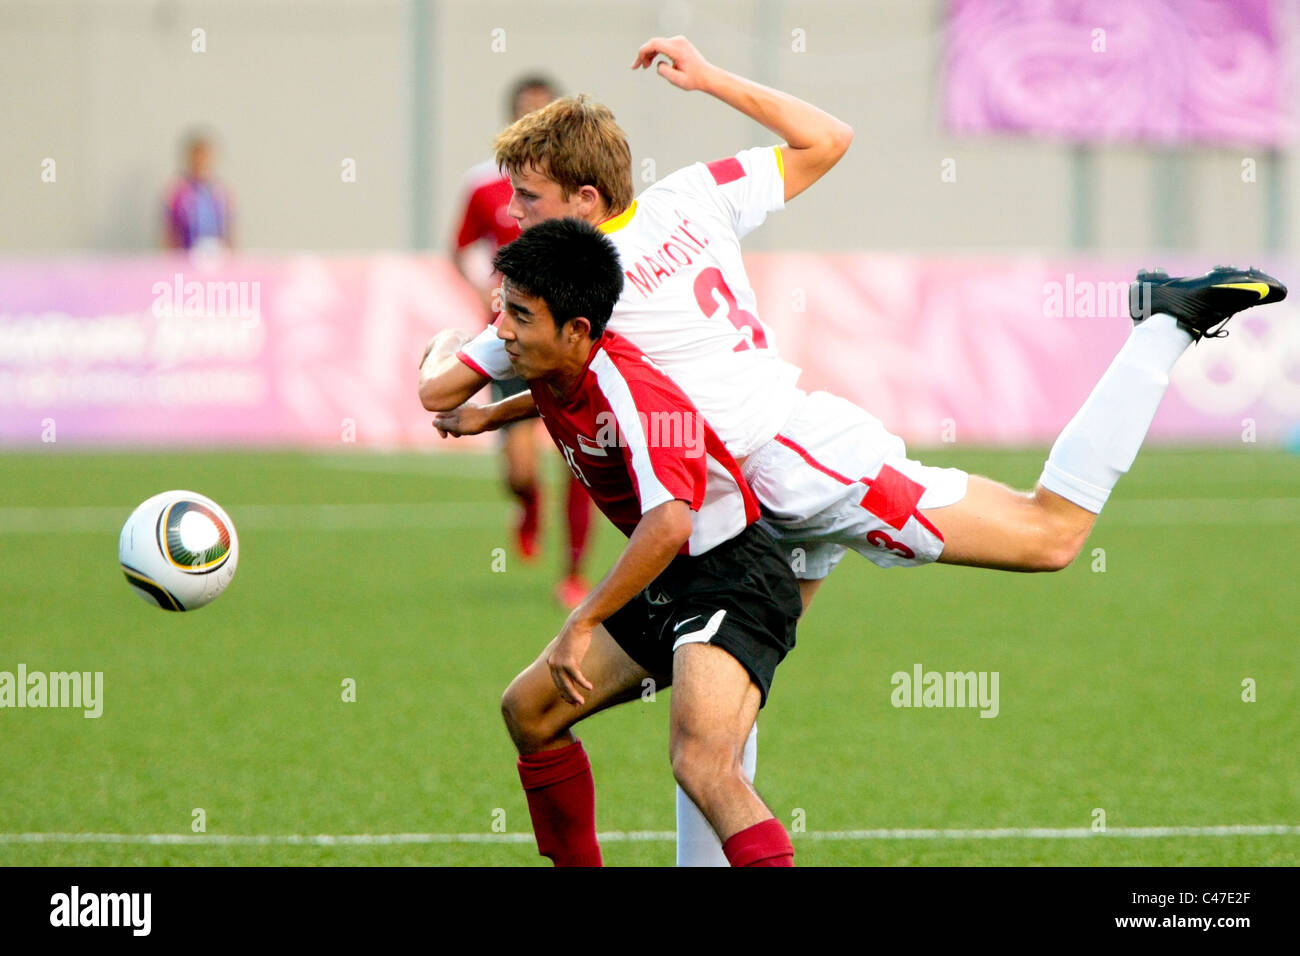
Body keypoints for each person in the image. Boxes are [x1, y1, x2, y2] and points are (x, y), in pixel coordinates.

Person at [419, 35, 1288, 864]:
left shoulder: (578, 280)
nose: (513, 218)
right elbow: (827, 138)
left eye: (526, 200)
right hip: (765, 483)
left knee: (1049, 535)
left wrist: (458, 372)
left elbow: (446, 386)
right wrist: (712, 77)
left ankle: (1163, 327)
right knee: (711, 717)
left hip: (807, 473)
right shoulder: (689, 195)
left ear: (580, 200)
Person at [491, 217, 803, 867]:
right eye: (501, 309)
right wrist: (482, 415)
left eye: (519, 315)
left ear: (576, 331)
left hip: (736, 577)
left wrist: (584, 617)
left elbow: (670, 523)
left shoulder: (630, 390)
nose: (501, 331)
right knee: (531, 710)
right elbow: (523, 394)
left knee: (702, 763)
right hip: (680, 577)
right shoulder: (557, 365)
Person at [447, 75, 594, 609]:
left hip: (572, 333)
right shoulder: (485, 185)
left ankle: (574, 572)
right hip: (514, 332)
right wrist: (480, 295)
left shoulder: (578, 184)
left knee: (585, 453)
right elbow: (459, 248)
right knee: (521, 466)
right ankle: (528, 503)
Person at [163, 130, 234, 253]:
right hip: (185, 256)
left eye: (204, 157)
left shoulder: (220, 193)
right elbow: (170, 231)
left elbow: (228, 230)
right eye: (197, 157)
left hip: (216, 257)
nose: (200, 161)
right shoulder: (179, 193)